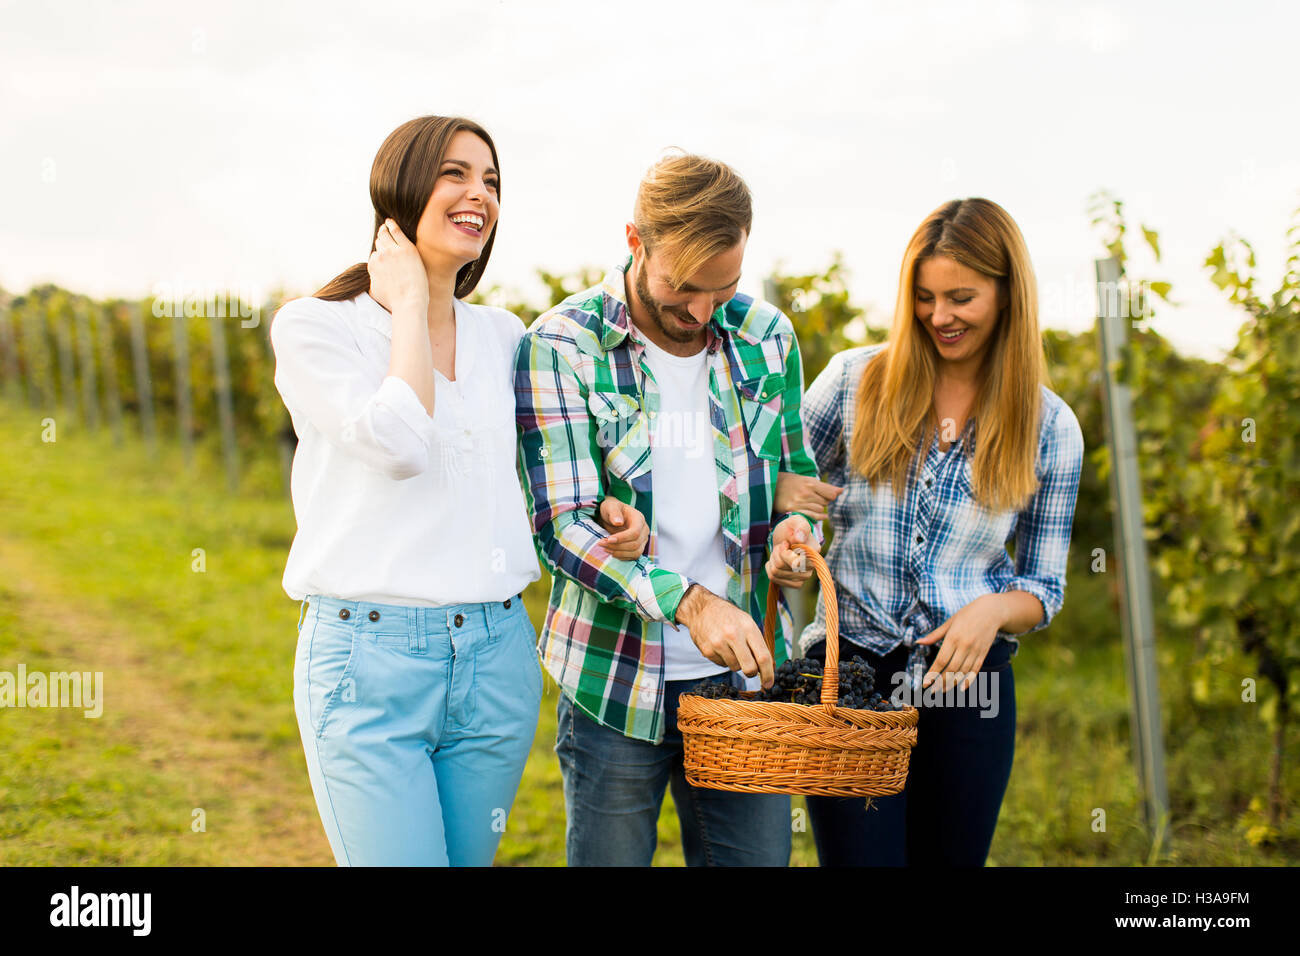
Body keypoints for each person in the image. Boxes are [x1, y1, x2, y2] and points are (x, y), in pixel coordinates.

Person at [270, 115, 648, 866]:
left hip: (495, 656)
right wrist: (412, 303)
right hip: (366, 663)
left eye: (492, 181)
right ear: (400, 187)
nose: (480, 194)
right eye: (456, 173)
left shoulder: (505, 337)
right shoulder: (315, 329)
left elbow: (551, 474)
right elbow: (401, 445)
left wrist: (613, 512)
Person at [513, 151, 824, 867]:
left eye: (724, 288)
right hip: (613, 682)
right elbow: (562, 530)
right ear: (635, 242)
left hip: (744, 691)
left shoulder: (767, 338)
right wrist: (692, 603)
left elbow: (793, 480)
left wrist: (793, 539)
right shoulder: (562, 347)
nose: (701, 311)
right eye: (682, 288)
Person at [775, 197, 1084, 866]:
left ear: (1007, 295)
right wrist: (791, 535)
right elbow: (786, 488)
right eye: (924, 297)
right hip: (850, 681)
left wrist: (994, 611)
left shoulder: (1050, 427)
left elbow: (1044, 587)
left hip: (969, 684)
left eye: (961, 298)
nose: (939, 316)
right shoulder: (856, 383)